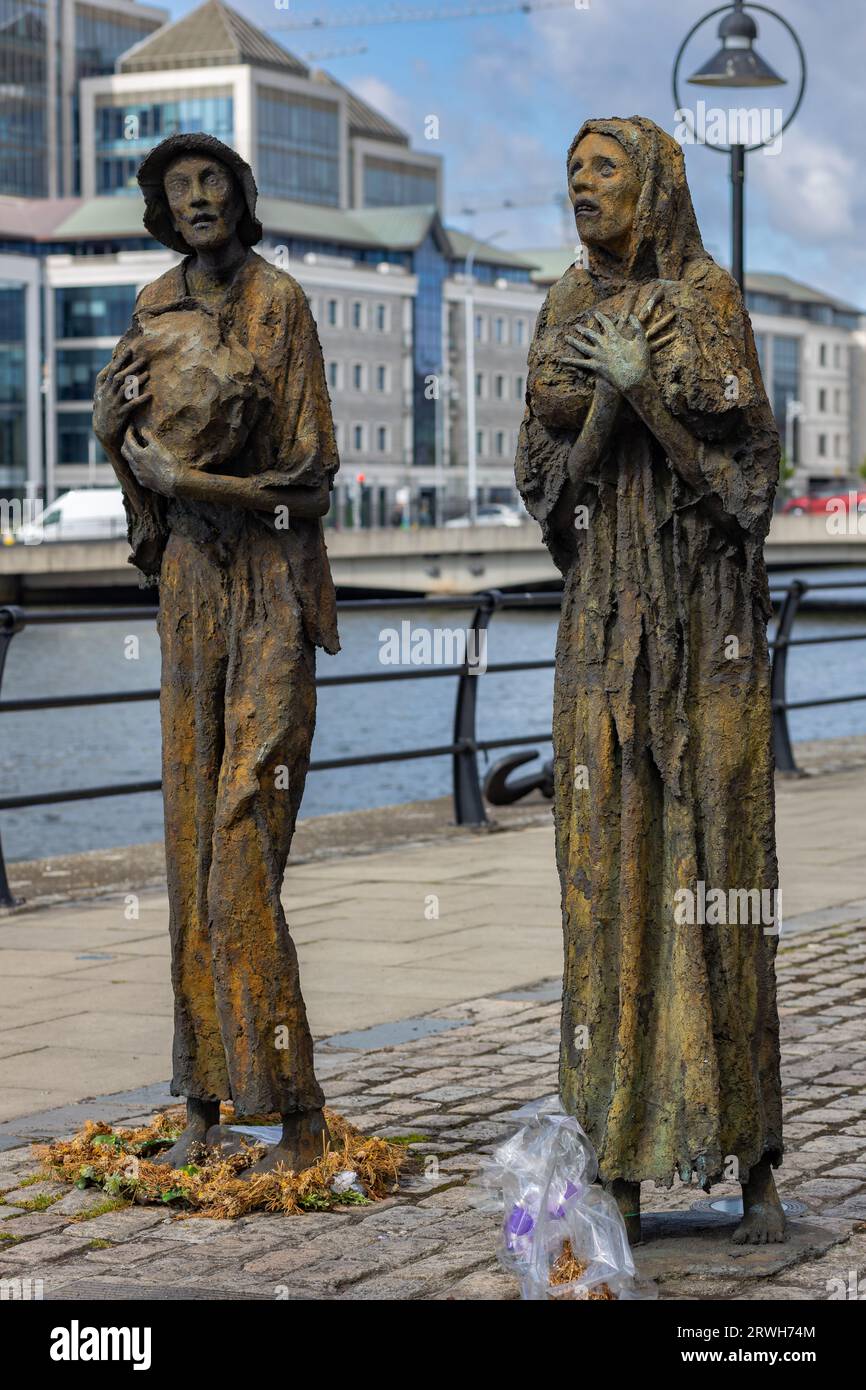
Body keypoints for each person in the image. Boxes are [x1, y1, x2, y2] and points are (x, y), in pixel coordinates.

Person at [515, 116, 785, 1245]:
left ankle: (752, 1157)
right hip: (602, 633)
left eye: (602, 169)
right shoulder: (562, 308)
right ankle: (613, 1154)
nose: (580, 186)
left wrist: (657, 405)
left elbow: (745, 494)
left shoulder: (708, 300)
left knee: (719, 869)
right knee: (604, 883)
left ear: (656, 185)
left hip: (705, 634)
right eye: (569, 170)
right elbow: (547, 499)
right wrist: (609, 408)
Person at [93, 133, 339, 1173]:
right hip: (191, 590)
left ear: (241, 195)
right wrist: (115, 445)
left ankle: (296, 1108)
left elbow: (311, 485)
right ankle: (201, 1098)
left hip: (270, 593)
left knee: (240, 845)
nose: (195, 198)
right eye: (175, 187)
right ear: (161, 206)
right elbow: (150, 489)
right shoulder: (152, 305)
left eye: (211, 182)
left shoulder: (279, 302)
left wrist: (199, 487)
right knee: (192, 841)